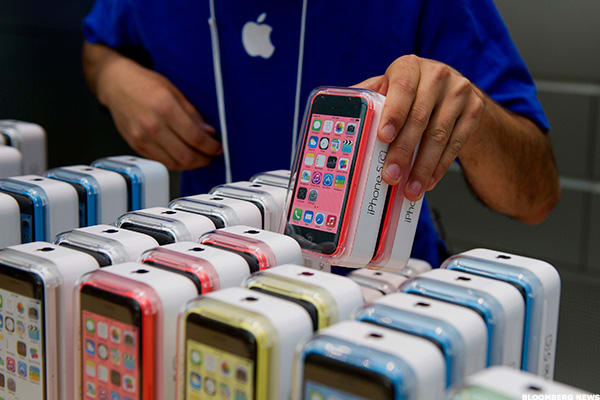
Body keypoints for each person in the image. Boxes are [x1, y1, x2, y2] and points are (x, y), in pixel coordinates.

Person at [82, 0, 560, 268]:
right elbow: (97, 46)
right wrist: (111, 75)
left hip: (377, 284)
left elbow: (535, 197)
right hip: (208, 270)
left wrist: (471, 113)